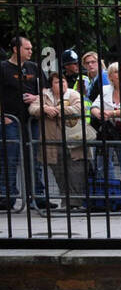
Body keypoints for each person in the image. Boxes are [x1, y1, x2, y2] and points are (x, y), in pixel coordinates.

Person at [1, 35, 50, 211]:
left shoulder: (33, 67)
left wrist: (36, 97)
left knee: (34, 158)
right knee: (9, 158)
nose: (31, 51)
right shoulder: (3, 67)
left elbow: (46, 91)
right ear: (16, 49)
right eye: (27, 48)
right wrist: (3, 116)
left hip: (31, 118)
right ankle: (7, 196)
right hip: (10, 119)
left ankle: (37, 196)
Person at [30, 72, 89, 211]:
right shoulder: (44, 95)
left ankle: (75, 203)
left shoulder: (73, 94)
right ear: (51, 85)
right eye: (57, 82)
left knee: (76, 172)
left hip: (73, 140)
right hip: (52, 142)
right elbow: (32, 108)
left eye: (63, 81)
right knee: (59, 173)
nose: (61, 84)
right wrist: (45, 108)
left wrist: (59, 109)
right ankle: (66, 202)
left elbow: (80, 108)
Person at [90, 62, 121, 201]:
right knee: (104, 165)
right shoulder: (105, 90)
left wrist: (111, 113)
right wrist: (98, 113)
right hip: (109, 132)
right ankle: (110, 196)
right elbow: (94, 106)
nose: (119, 75)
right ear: (110, 76)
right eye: (115, 72)